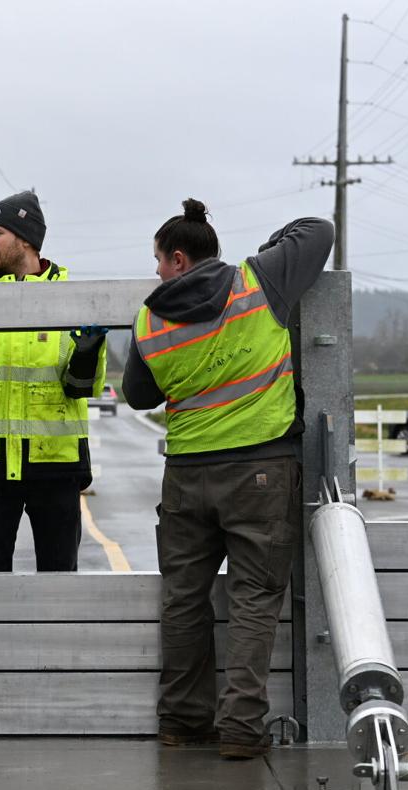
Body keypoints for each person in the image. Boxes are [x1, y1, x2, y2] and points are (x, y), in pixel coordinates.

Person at [123, 198, 334, 759]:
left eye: (158, 260)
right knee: (254, 600)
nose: (156, 272)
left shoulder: (149, 319)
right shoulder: (258, 281)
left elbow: (138, 395)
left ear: (178, 258)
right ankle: (241, 729)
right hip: (260, 471)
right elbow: (318, 228)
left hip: (186, 476)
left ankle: (182, 720)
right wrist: (268, 250)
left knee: (184, 599)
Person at [0, 190, 107, 572]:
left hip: (55, 464)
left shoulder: (72, 298)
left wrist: (87, 352)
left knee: (59, 585)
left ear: (25, 239)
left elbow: (81, 386)